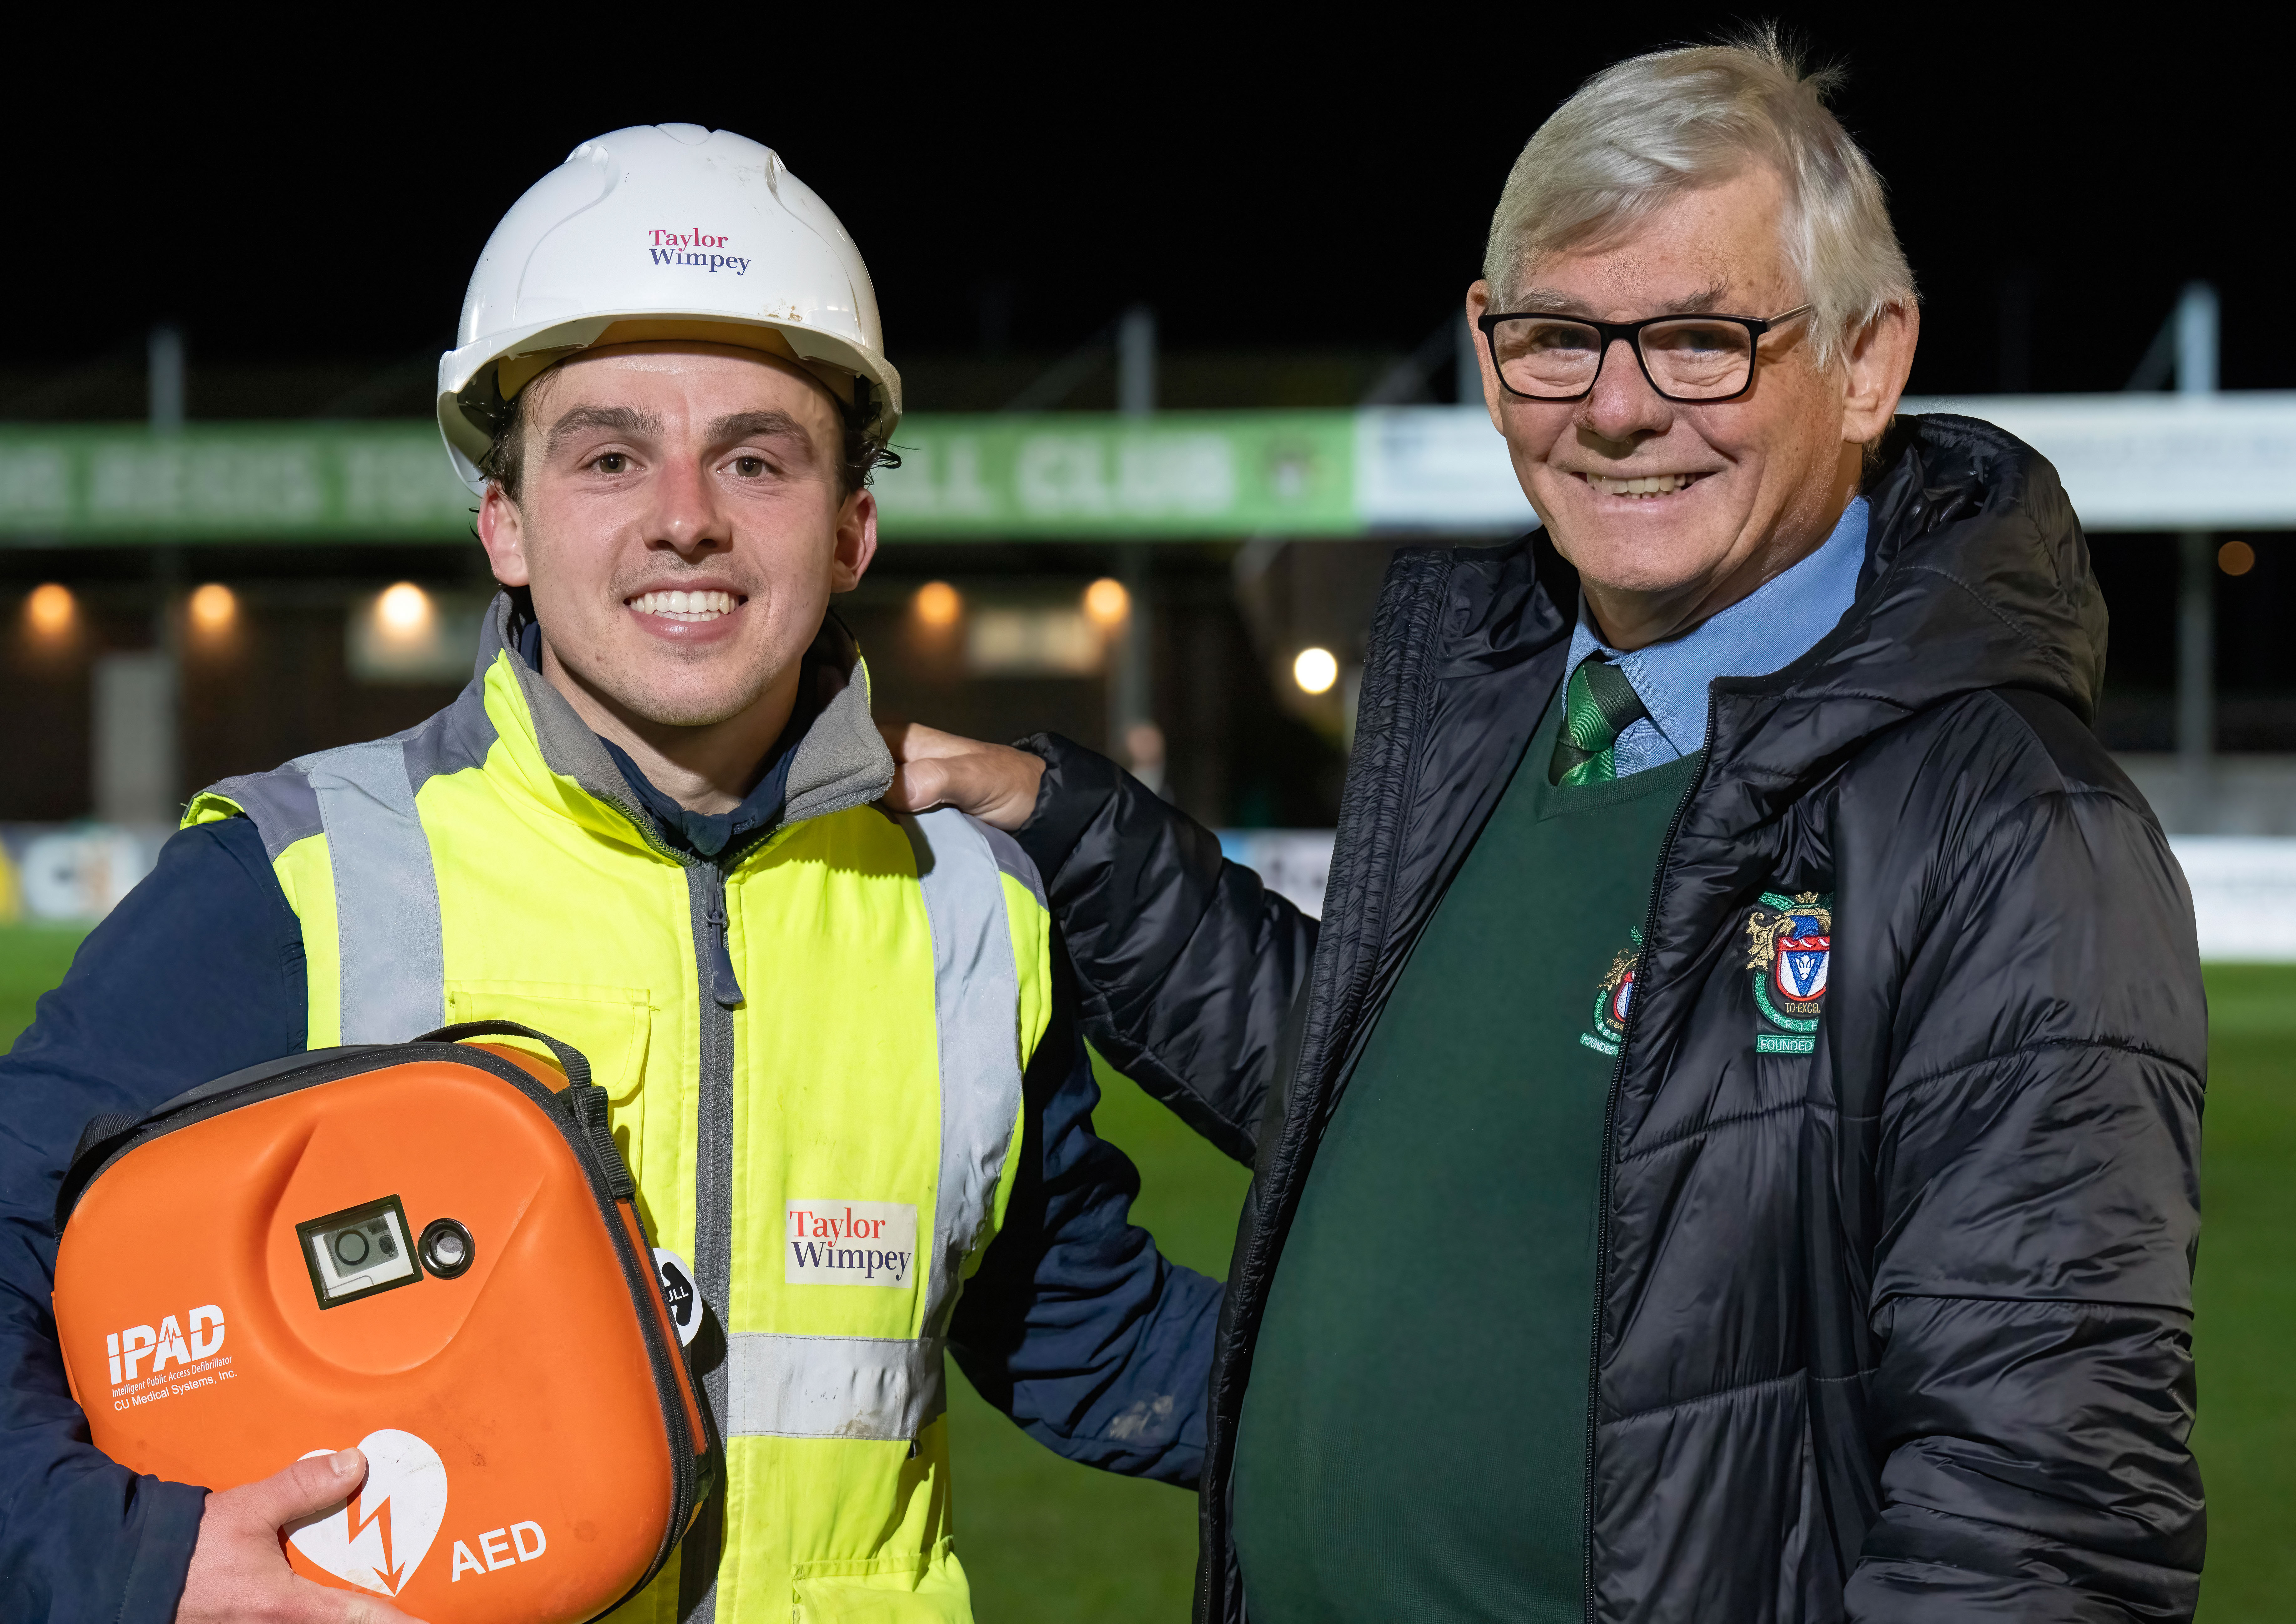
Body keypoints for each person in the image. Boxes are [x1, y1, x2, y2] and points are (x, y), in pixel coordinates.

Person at [893, 34, 2206, 1624]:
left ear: (1869, 360)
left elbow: (2041, 1525)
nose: (1621, 409)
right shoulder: (1499, 696)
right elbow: (1380, 1084)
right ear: (1484, 342)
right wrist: (1069, 822)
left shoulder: (2011, 825)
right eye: (1561, 340)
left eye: (1703, 340)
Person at [0, 125, 1219, 1624]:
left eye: (755, 457)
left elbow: (1088, 1332)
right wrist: (133, 1562)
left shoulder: (974, 910)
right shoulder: (304, 873)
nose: (685, 513)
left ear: (851, 528)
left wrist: (1441, 1412)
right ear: (505, 522)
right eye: (611, 454)